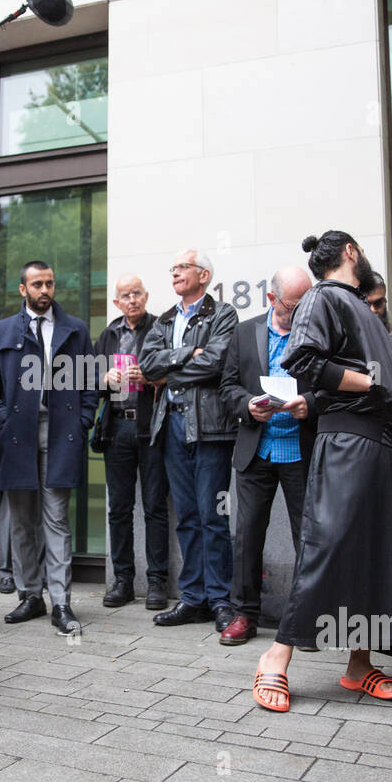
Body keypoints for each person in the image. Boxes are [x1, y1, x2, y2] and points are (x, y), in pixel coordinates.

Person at [251, 232, 392, 712]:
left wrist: (336, 393)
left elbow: (330, 381)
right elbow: (302, 357)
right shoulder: (325, 296)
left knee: (377, 553)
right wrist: (372, 381)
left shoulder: (353, 304)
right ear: (351, 252)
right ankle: (274, 657)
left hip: (387, 445)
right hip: (352, 444)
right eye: (363, 253)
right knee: (328, 548)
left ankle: (358, 665)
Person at [0, 260, 98, 635]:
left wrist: (83, 422)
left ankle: (61, 602)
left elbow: (90, 382)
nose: (44, 290)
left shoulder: (75, 331)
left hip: (61, 434)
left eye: (49, 283)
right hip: (16, 436)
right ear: (22, 289)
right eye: (37, 284)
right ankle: (31, 595)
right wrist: (2, 420)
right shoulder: (1, 332)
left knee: (57, 520)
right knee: (21, 521)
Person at [139, 250, 238, 630]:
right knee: (188, 517)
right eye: (174, 268)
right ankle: (193, 598)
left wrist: (171, 372)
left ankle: (220, 600)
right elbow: (147, 365)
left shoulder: (222, 314)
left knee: (214, 516)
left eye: (183, 268)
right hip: (172, 427)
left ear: (204, 275)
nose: (176, 273)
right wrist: (185, 355)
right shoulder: (165, 319)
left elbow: (215, 361)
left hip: (210, 428)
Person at [218, 266, 317, 645]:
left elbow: (334, 386)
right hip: (257, 448)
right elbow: (226, 387)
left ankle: (306, 618)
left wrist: (308, 403)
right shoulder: (245, 333)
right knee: (247, 536)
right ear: (273, 299)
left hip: (300, 450)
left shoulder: (317, 333)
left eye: (307, 301)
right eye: (295, 304)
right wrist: (247, 406)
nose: (302, 310)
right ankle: (244, 614)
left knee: (307, 537)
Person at [92, 274, 169, 610]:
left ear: (146, 295)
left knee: (155, 507)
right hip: (117, 429)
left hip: (151, 428)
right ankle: (123, 581)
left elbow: (176, 371)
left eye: (137, 293)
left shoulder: (161, 329)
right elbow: (89, 382)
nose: (132, 299)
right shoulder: (108, 334)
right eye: (126, 295)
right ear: (117, 302)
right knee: (119, 509)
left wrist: (151, 378)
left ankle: (157, 583)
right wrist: (104, 377)